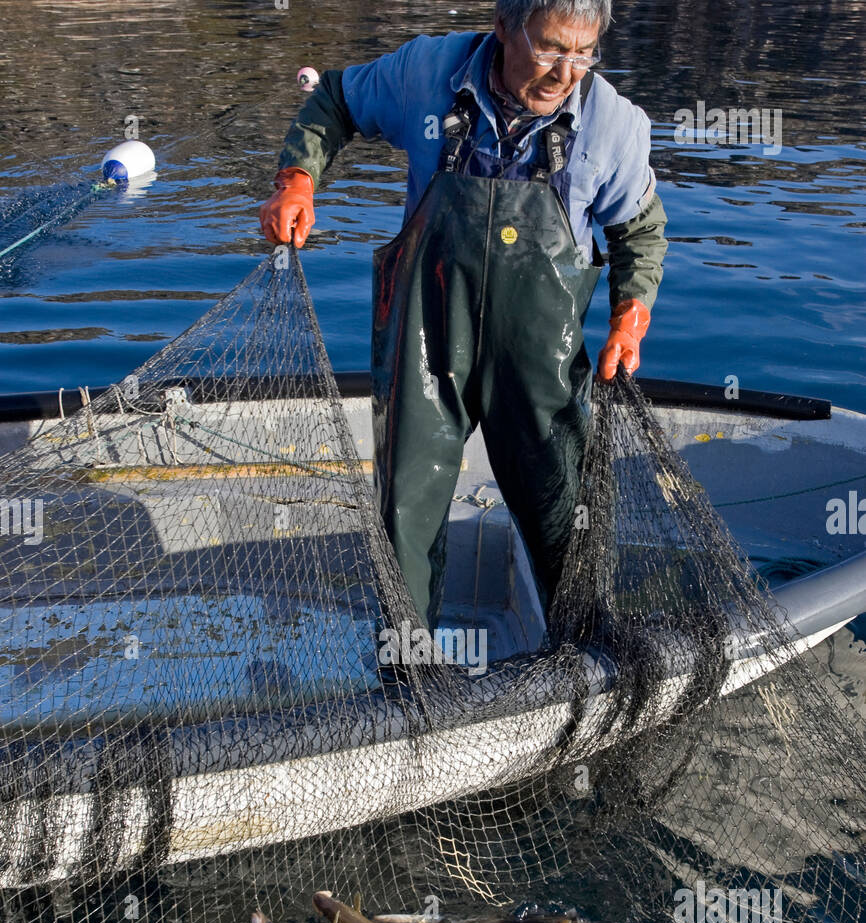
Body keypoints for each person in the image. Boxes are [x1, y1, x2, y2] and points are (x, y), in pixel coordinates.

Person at [261, 0, 667, 637]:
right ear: (505, 27)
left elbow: (639, 234)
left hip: (540, 361)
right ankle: (409, 680)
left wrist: (629, 314)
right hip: (426, 342)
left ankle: (584, 659)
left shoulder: (614, 124)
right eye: (551, 48)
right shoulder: (427, 72)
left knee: (566, 515)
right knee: (405, 520)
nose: (567, 72)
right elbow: (335, 99)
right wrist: (298, 180)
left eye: (584, 53)